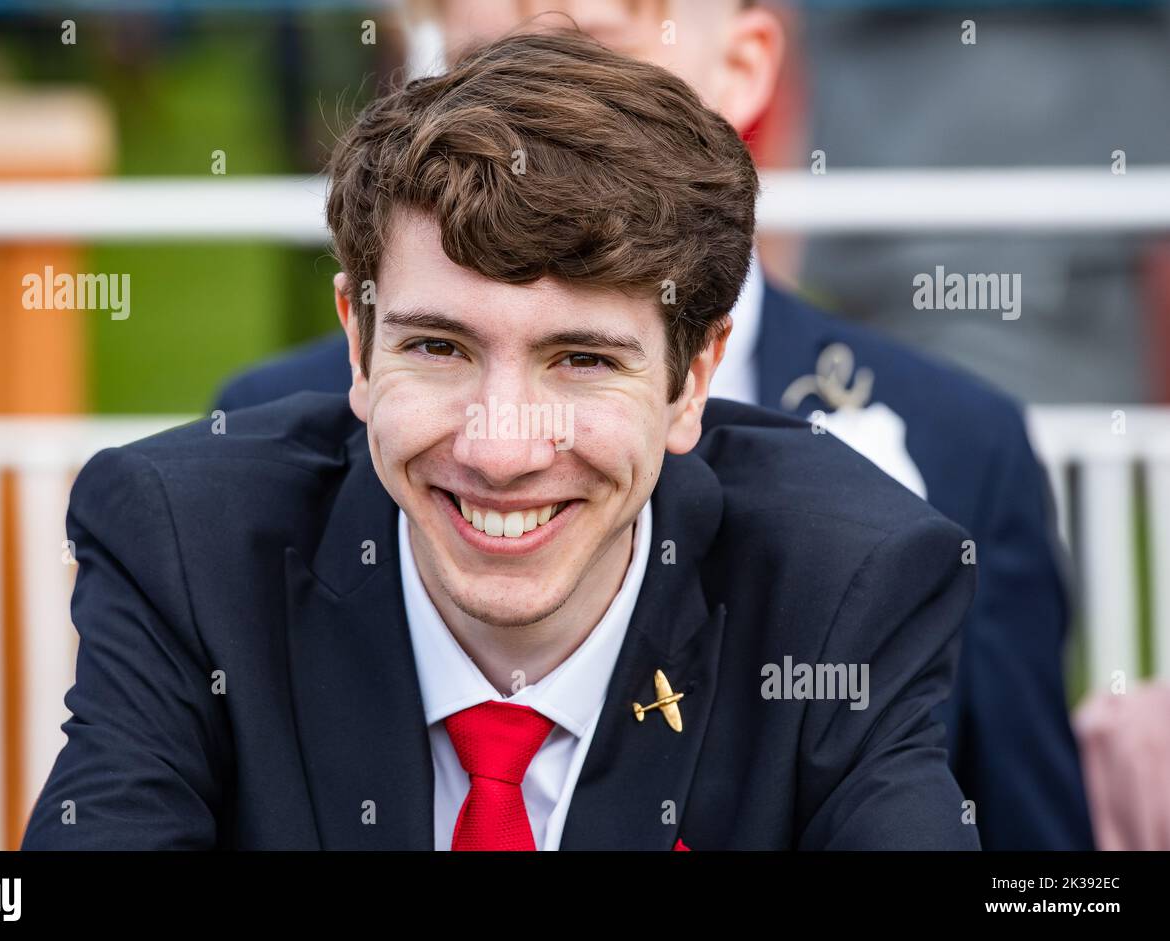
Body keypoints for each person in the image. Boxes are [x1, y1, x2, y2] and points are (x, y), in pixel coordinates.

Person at [24, 29, 978, 850]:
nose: (502, 448)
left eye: (582, 361)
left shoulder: (842, 581)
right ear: (356, 345)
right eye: (438, 347)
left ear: (692, 379)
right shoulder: (186, 548)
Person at [215, 0, 1093, 851]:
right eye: (496, 47)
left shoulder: (950, 457)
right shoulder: (257, 464)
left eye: (605, 34)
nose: (503, 447)